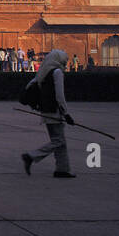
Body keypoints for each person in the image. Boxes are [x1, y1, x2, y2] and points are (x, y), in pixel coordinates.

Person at [21, 48, 76, 179]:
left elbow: (30, 85)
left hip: (46, 109)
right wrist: (66, 113)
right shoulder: (57, 72)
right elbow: (59, 95)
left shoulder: (44, 72)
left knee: (59, 140)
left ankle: (62, 169)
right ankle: (31, 156)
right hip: (54, 111)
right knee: (59, 141)